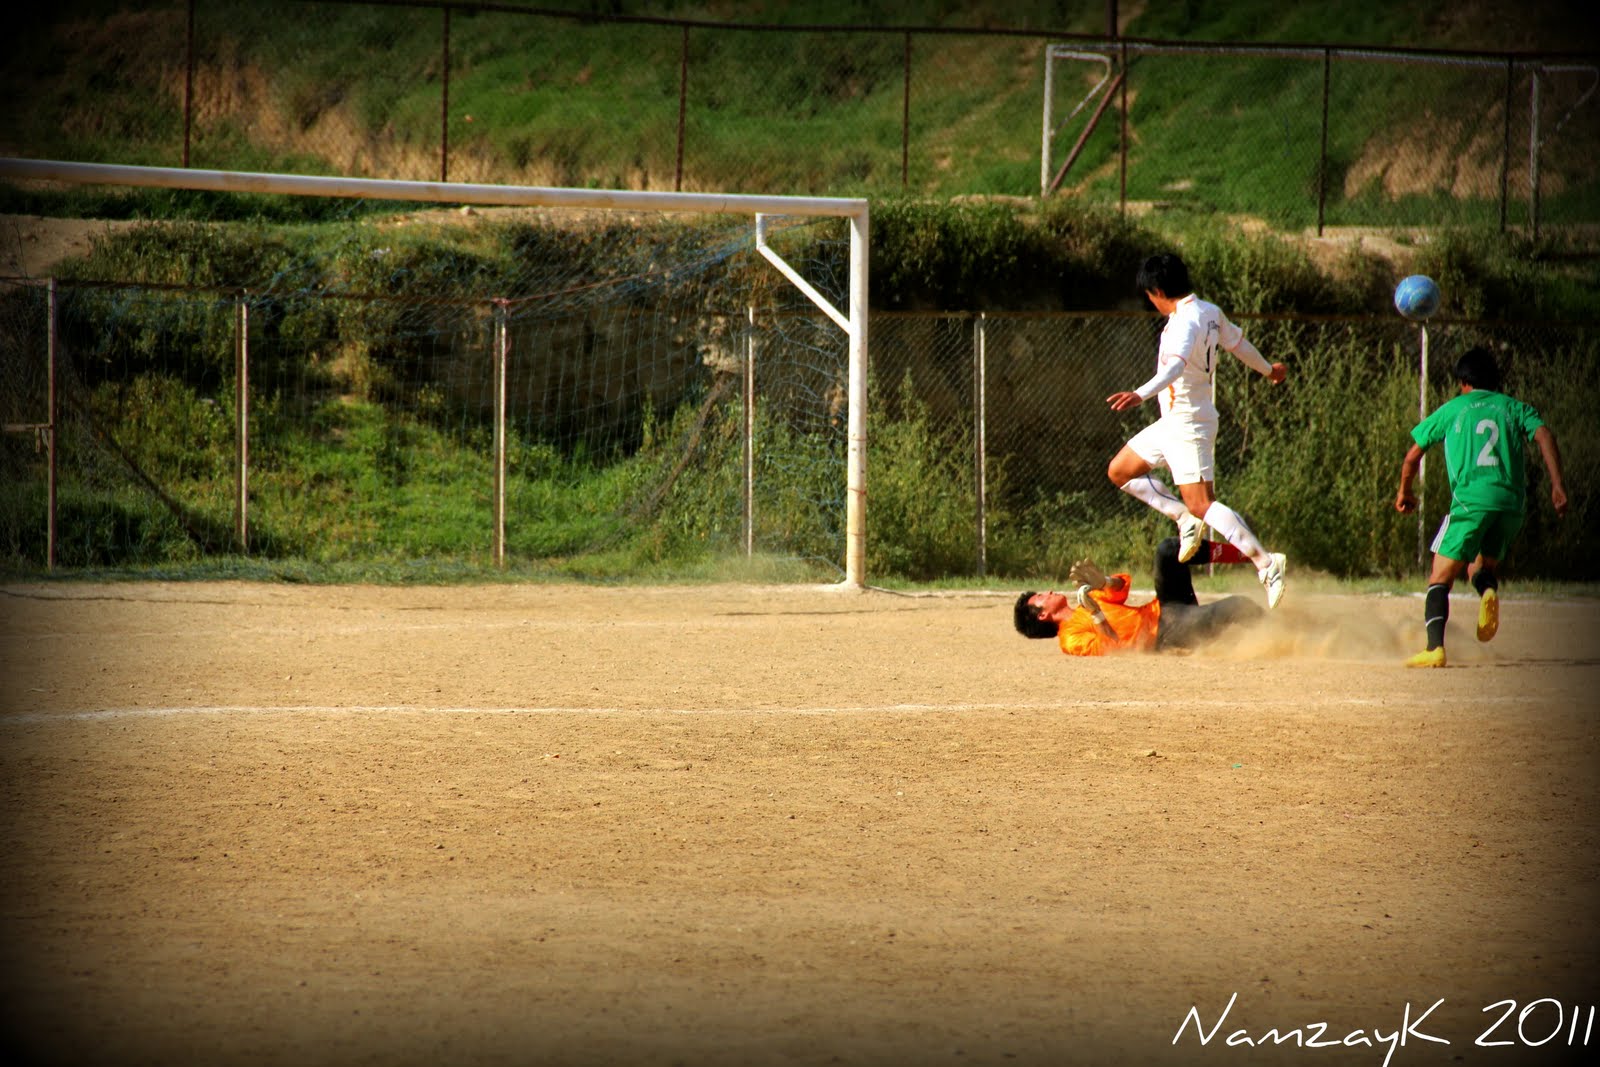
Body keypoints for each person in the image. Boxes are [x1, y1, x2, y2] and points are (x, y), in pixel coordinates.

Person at [1104, 252, 1289, 608]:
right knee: (1120, 471)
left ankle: (1267, 564)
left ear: (1159, 291)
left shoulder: (1183, 322)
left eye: (1150, 296)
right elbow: (1238, 345)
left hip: (1188, 423)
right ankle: (1182, 517)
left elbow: (1174, 367)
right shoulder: (1209, 312)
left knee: (1203, 503)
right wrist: (1269, 370)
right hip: (1173, 422)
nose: (1152, 302)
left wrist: (1139, 394)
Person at [1394, 346, 1567, 668]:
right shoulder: (1512, 407)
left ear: (1463, 382)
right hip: (1510, 504)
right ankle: (1487, 591)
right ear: (1495, 381)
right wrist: (1557, 485)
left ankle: (1434, 649)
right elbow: (1544, 435)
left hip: (1470, 502)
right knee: (1479, 567)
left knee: (1439, 576)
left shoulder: (1454, 408)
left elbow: (1412, 457)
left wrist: (1405, 491)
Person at [1014, 537, 1263, 656]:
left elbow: (1122, 586)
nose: (1048, 592)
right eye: (1040, 597)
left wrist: (1105, 581)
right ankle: (1280, 628)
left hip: (1164, 607)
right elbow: (1112, 647)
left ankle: (1250, 555)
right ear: (1043, 615)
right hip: (1167, 632)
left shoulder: (1085, 602)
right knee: (1237, 605)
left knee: (1167, 550)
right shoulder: (1069, 639)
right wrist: (1096, 614)